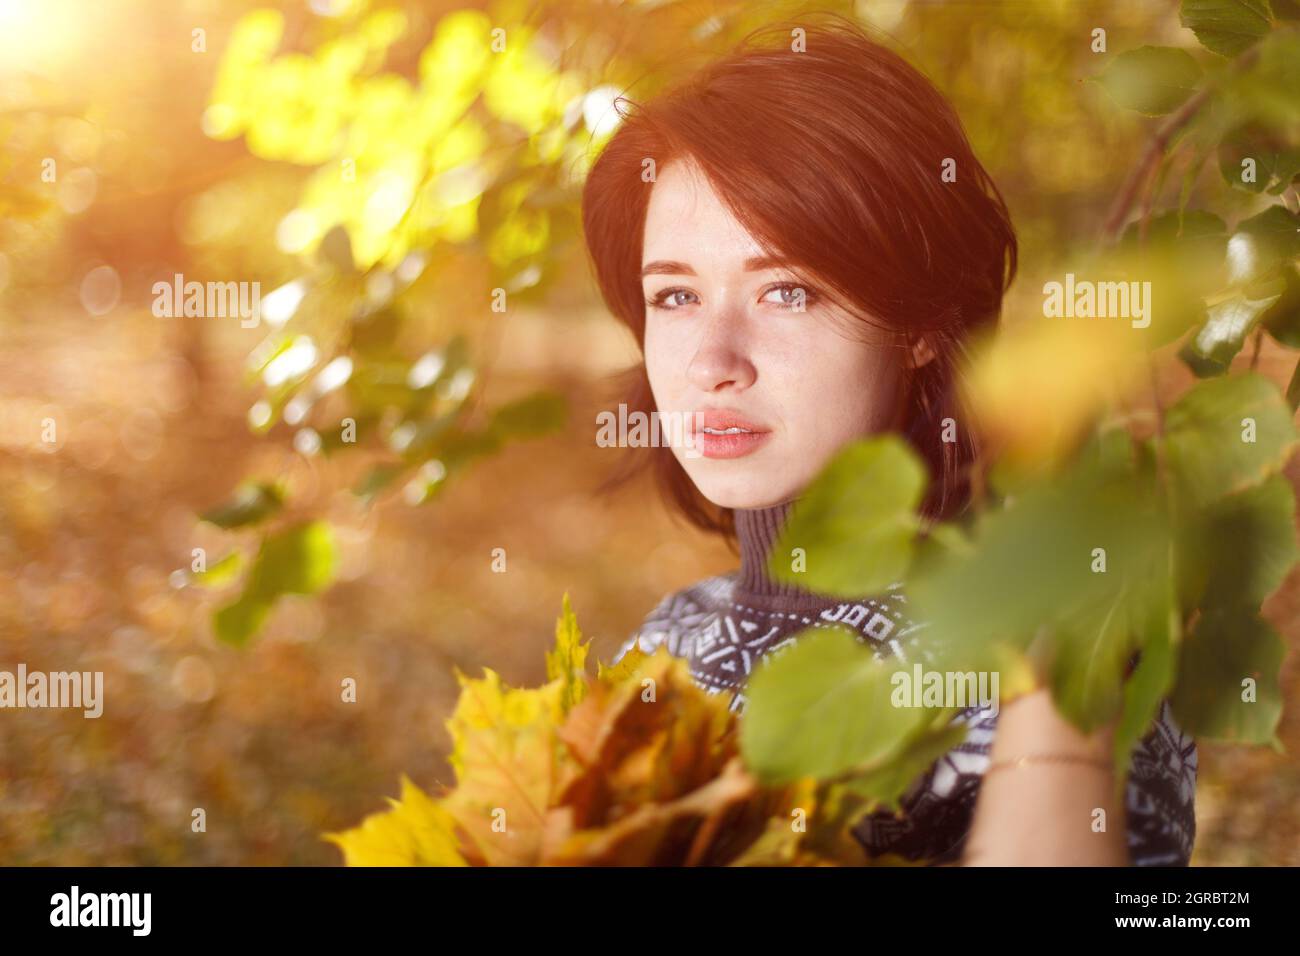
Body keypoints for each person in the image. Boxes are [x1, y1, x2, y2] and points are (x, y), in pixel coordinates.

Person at [581, 14, 1196, 865]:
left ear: (917, 326)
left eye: (788, 291)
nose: (713, 363)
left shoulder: (1041, 663)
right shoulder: (665, 645)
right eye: (676, 297)